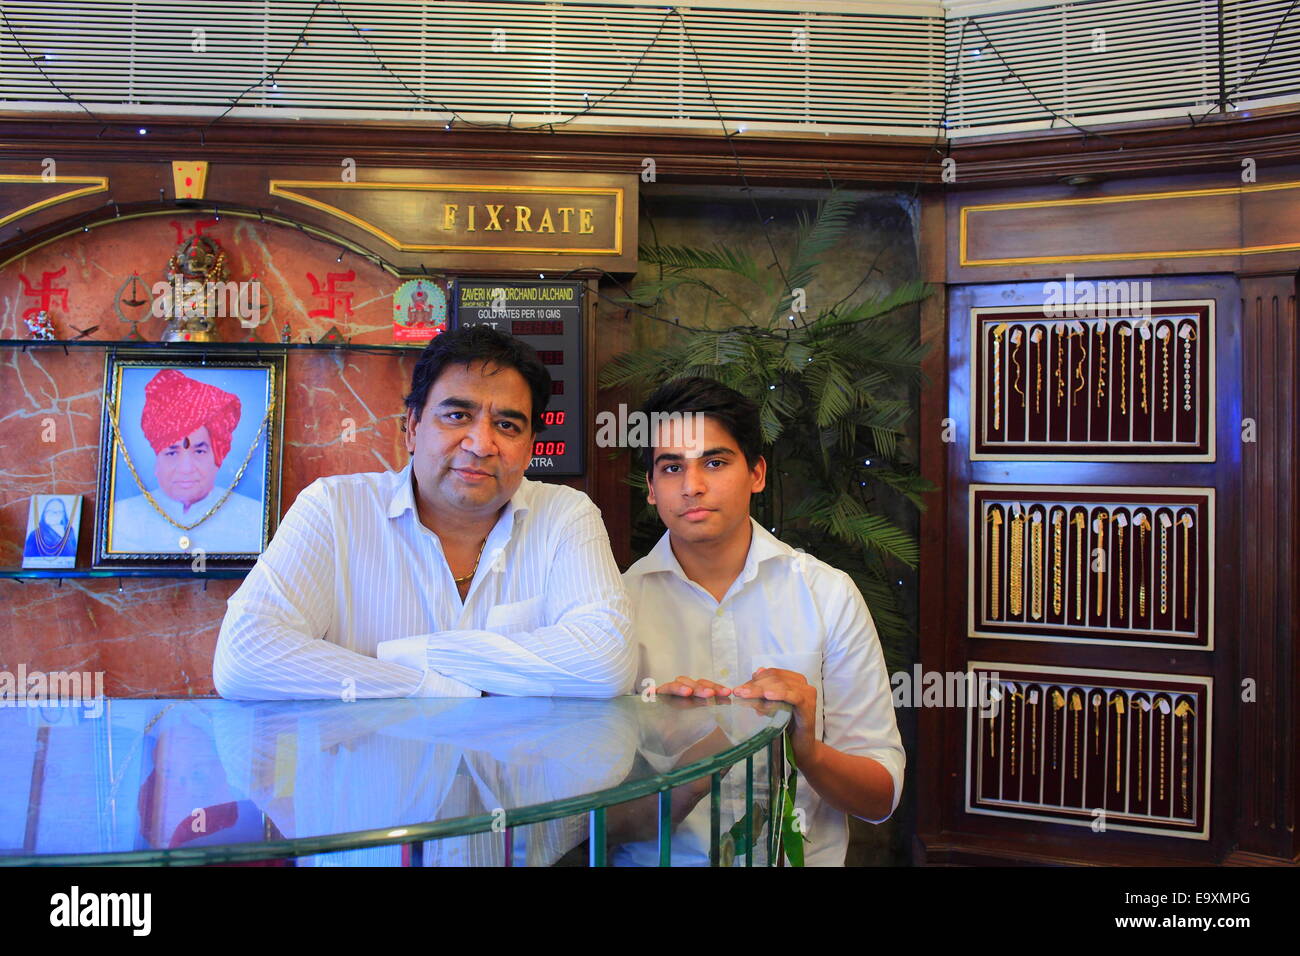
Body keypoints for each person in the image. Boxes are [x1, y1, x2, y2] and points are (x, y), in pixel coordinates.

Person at [213, 325, 634, 701]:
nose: (480, 444)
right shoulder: (334, 510)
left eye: (507, 426)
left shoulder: (565, 515)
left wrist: (420, 652)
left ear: (528, 448)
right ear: (412, 427)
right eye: (457, 415)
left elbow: (606, 662)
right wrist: (426, 684)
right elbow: (244, 657)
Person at [617, 377, 904, 867]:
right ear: (651, 488)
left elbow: (879, 798)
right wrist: (692, 764)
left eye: (714, 461)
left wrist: (805, 748)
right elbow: (592, 827)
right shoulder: (615, 608)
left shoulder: (825, 594)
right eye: (671, 467)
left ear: (756, 473)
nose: (693, 486)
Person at [109, 368, 264, 554]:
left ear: (217, 456)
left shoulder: (254, 518)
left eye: (199, 451)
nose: (186, 469)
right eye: (172, 453)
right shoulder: (120, 520)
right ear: (157, 461)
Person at [24, 497, 78, 561]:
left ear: (63, 514)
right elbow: (29, 559)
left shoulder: (70, 532)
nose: (55, 515)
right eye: (50, 511)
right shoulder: (35, 535)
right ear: (44, 513)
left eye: (59, 512)